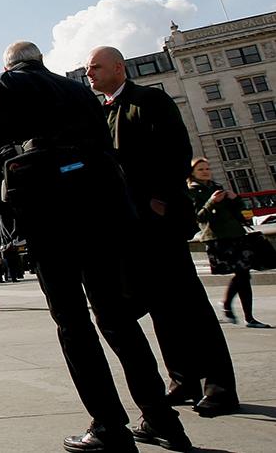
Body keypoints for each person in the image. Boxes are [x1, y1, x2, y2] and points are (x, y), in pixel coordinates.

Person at [0, 40, 189, 452]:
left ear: (10, 64)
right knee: (117, 319)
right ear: (41, 61)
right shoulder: (77, 89)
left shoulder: (4, 86)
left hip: (49, 217)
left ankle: (109, 425)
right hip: (100, 213)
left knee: (73, 323)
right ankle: (161, 417)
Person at [87, 45, 239, 418]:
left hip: (157, 220)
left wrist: (160, 199)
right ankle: (182, 379)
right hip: (128, 225)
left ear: (119, 68)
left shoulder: (148, 100)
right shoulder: (102, 111)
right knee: (159, 306)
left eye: (95, 67)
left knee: (189, 305)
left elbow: (175, 152)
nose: (88, 74)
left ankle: (219, 386)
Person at [188, 157, 271, 328]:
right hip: (218, 238)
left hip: (236, 235)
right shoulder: (192, 191)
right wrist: (212, 202)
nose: (205, 172)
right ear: (193, 173)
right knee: (242, 274)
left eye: (207, 168)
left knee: (243, 274)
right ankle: (239, 312)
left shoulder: (217, 187)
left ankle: (241, 313)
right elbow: (198, 217)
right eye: (201, 169)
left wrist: (235, 198)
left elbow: (237, 210)